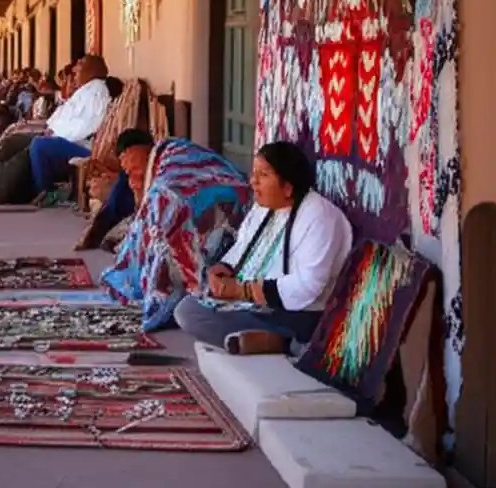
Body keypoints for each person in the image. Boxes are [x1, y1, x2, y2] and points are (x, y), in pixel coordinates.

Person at [173, 142, 353, 354]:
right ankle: (269, 340)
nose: (253, 182)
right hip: (257, 306)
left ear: (288, 185)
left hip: (296, 315)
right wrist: (223, 269)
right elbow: (242, 247)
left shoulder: (319, 216)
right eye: (254, 173)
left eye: (263, 175)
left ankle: (286, 342)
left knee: (190, 313)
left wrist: (243, 290)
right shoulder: (263, 208)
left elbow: (309, 287)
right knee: (186, 308)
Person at [99, 130, 253, 332]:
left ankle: (168, 292)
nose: (129, 170)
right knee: (152, 226)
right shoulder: (157, 169)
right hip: (217, 221)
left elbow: (167, 198)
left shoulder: (175, 156)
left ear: (133, 150)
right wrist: (139, 191)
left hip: (232, 215)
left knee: (162, 224)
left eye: (128, 162)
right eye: (126, 171)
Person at [26, 56, 112, 201]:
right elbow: (64, 116)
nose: (74, 70)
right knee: (24, 141)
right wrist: (51, 130)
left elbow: (88, 126)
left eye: (80, 64)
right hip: (69, 139)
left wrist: (55, 135)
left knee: (39, 145)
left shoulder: (97, 91)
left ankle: (46, 192)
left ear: (91, 69)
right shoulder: (86, 90)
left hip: (84, 146)